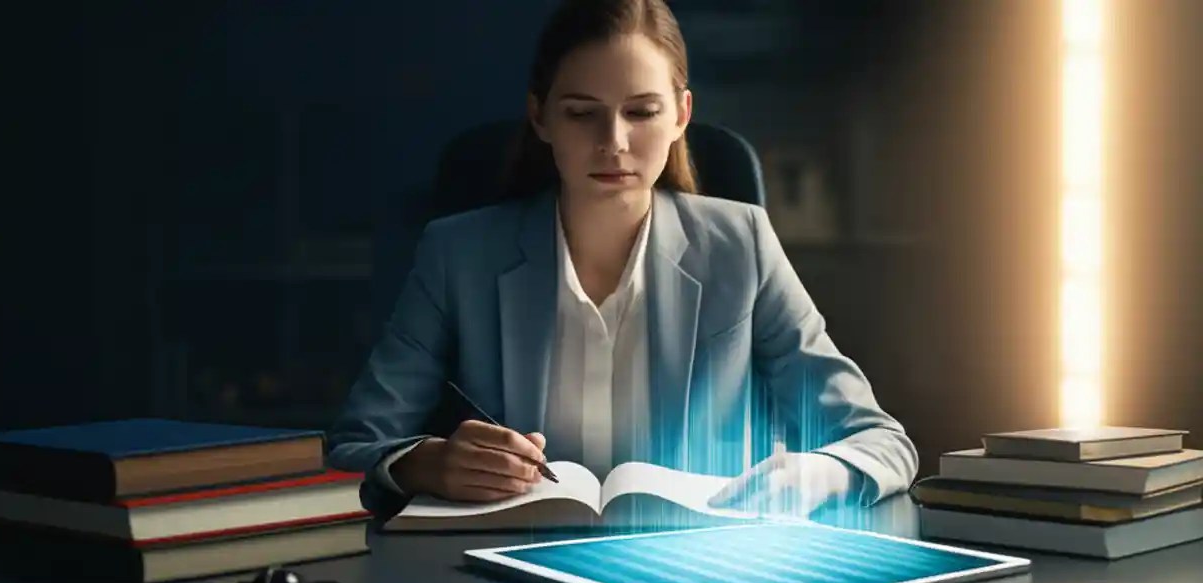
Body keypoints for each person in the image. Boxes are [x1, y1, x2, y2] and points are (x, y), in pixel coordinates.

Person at [328, 0, 917, 519]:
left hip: (698, 576)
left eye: (641, 112)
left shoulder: (742, 245)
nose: (613, 141)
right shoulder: (459, 254)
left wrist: (814, 474)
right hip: (505, 579)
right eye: (583, 113)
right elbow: (356, 442)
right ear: (541, 117)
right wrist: (424, 464)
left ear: (681, 115)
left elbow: (879, 439)